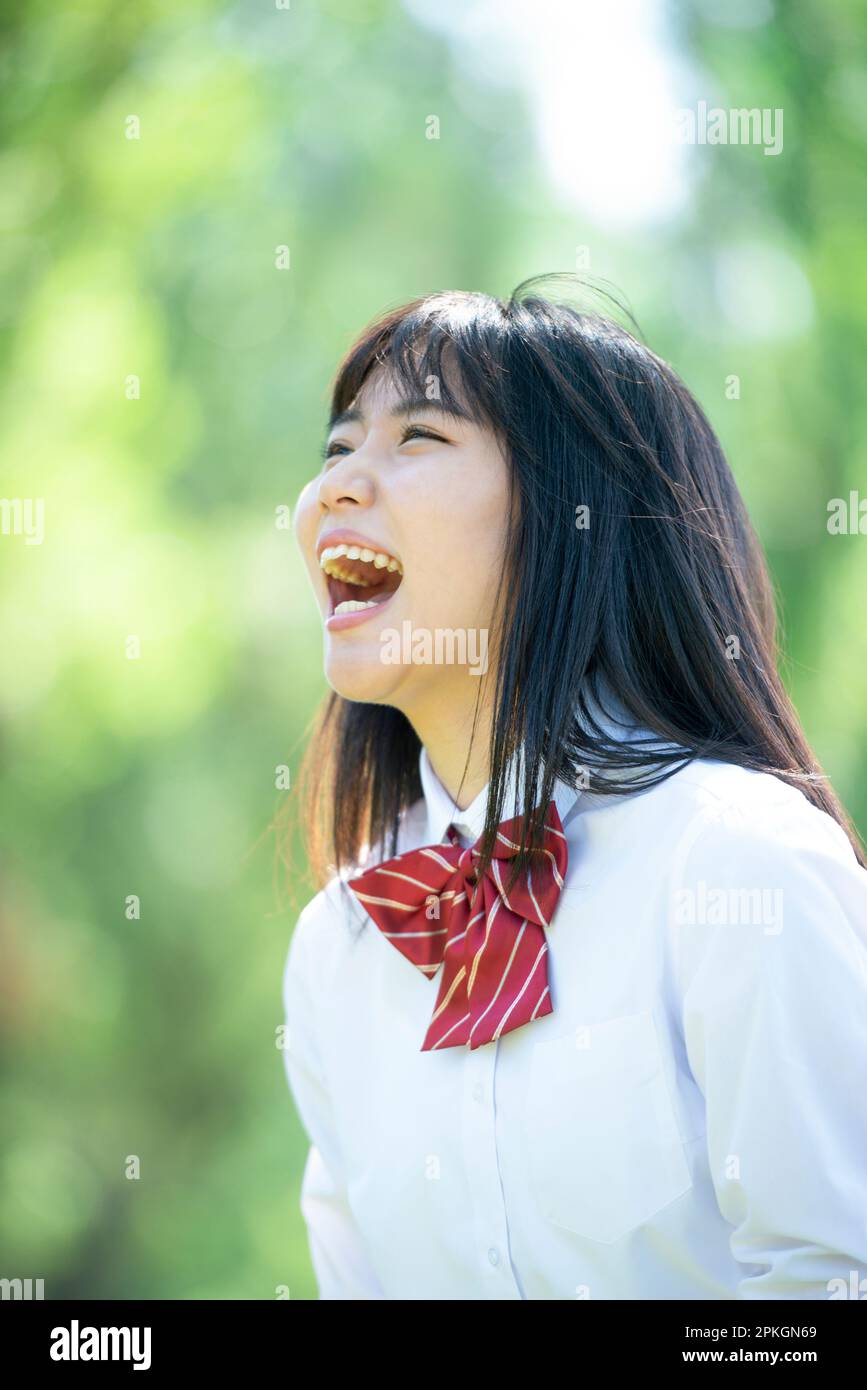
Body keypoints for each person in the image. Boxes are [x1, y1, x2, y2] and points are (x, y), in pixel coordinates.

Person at [280, 277, 867, 1300]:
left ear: (569, 516)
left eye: (418, 436)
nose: (335, 486)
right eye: (338, 448)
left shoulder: (739, 864)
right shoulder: (341, 946)